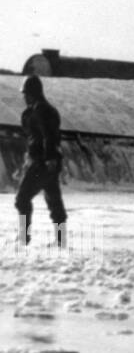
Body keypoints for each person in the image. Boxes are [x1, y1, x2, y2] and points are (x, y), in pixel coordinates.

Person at [15, 76, 66, 248]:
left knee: (22, 199)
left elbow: (48, 136)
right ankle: (60, 240)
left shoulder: (40, 111)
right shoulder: (44, 110)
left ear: (32, 93)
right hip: (48, 162)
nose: (24, 97)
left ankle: (24, 237)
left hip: (42, 162)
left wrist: (48, 158)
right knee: (54, 201)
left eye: (26, 94)